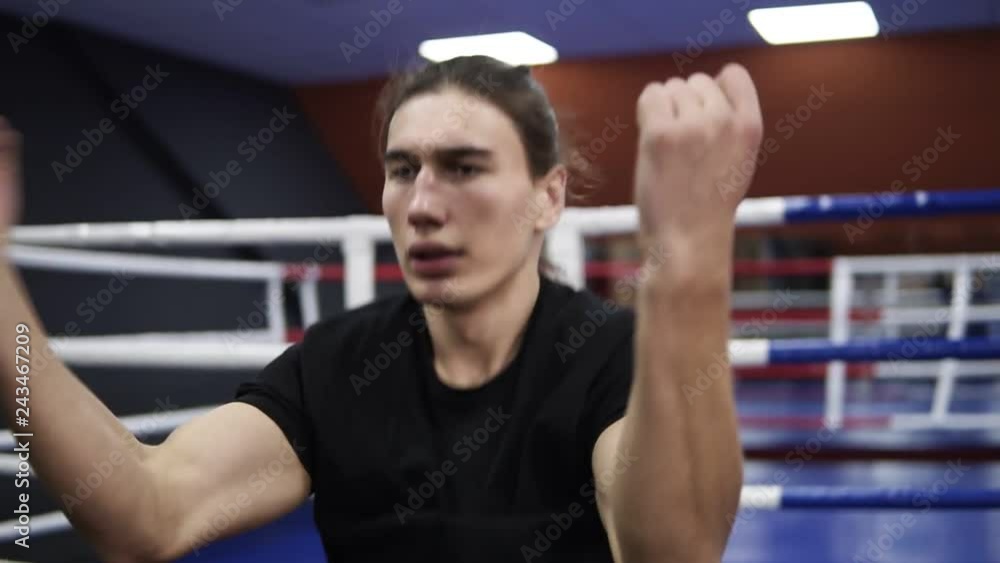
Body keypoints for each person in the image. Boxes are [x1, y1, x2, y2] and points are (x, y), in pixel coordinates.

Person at [0, 55, 763, 562]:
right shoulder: (339, 364)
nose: (424, 203)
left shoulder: (609, 356)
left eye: (463, 167)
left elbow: (674, 549)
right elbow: (145, 510)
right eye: (404, 170)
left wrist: (687, 267)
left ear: (547, 196)